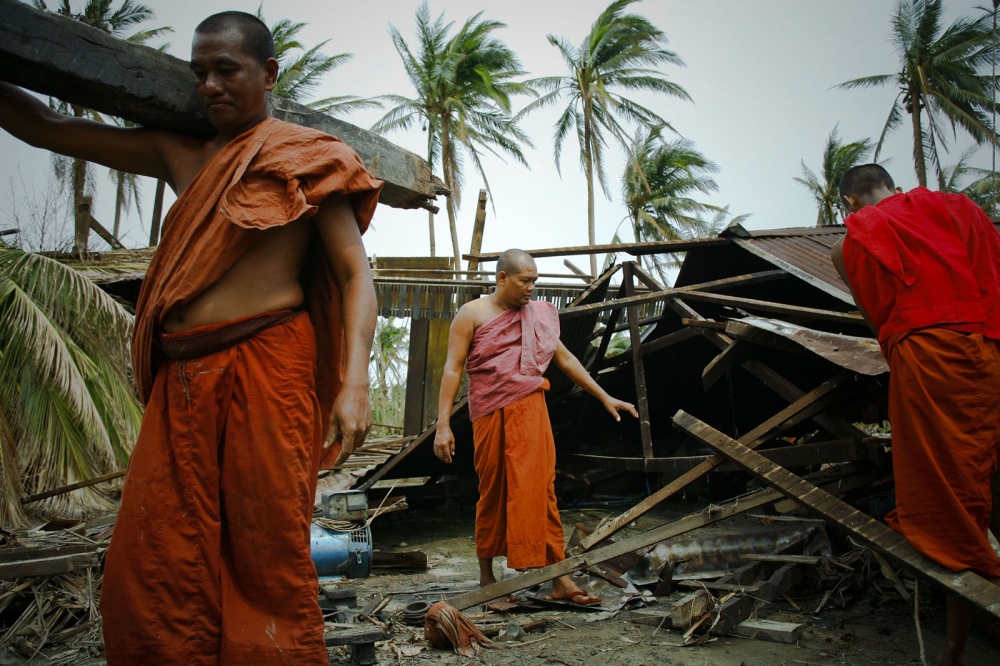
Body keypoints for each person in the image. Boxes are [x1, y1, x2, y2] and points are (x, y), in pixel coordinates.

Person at [0, 11, 382, 665]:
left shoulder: (309, 156)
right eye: (198, 72)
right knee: (151, 560)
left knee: (267, 550)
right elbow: (45, 129)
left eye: (226, 70)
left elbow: (355, 275)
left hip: (271, 364)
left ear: (267, 74)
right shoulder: (178, 153)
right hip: (182, 380)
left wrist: (353, 384)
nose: (209, 85)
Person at [830, 164, 1000, 666]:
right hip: (989, 351)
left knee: (947, 500)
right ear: (893, 187)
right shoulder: (960, 209)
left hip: (926, 359)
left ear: (849, 204)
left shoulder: (851, 243)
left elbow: (879, 322)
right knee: (978, 482)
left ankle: (953, 649)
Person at [433, 249, 638, 604]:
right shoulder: (472, 314)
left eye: (534, 281)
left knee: (541, 490)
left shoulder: (538, 315)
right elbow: (453, 369)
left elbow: (567, 359)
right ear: (502, 278)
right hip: (489, 412)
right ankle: (486, 577)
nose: (531, 288)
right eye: (524, 281)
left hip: (530, 410)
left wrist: (605, 396)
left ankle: (559, 577)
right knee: (493, 488)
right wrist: (442, 426)